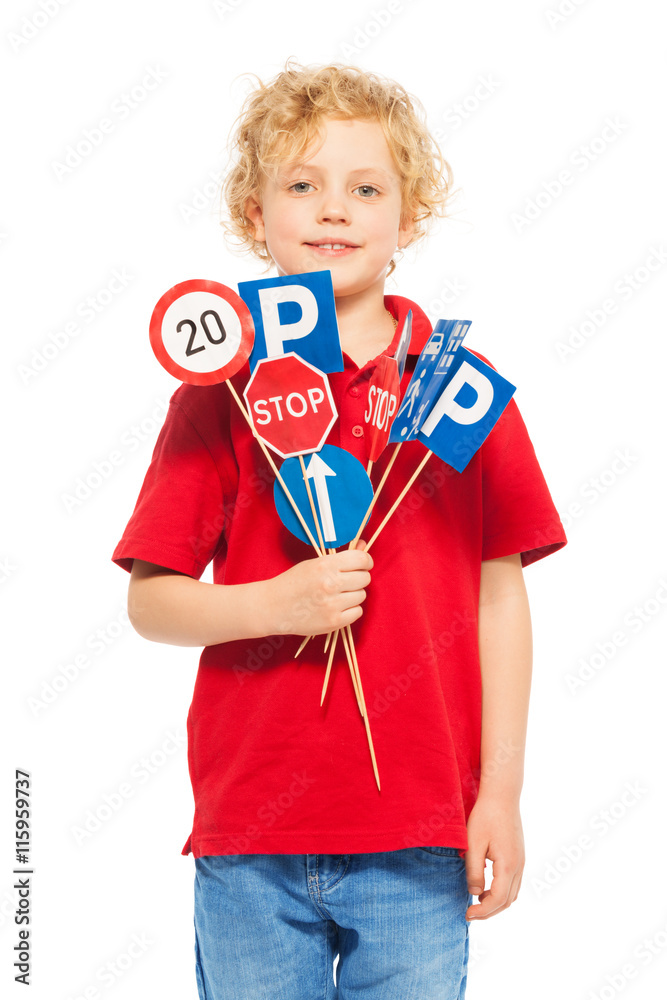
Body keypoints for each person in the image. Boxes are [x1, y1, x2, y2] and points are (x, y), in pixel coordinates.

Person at [112, 62, 567, 1000]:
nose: (334, 211)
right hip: (250, 832)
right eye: (302, 185)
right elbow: (151, 605)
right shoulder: (221, 392)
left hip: (419, 831)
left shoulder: (459, 388)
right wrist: (271, 603)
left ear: (409, 219)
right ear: (253, 213)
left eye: (366, 189)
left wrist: (503, 794)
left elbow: (498, 598)